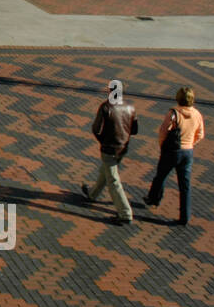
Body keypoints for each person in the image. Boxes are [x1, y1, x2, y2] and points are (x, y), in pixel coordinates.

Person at [144, 86, 205, 225]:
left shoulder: (174, 113)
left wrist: (162, 146)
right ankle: (185, 217)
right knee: (185, 186)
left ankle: (153, 199)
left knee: (161, 176)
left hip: (172, 151)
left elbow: (163, 132)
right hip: (188, 152)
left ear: (178, 98)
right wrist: (191, 143)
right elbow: (201, 134)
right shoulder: (197, 114)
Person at [81, 83, 138, 225]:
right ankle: (92, 193)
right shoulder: (130, 108)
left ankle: (125, 213)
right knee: (107, 170)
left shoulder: (106, 107)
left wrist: (102, 141)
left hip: (109, 149)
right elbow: (135, 130)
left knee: (113, 180)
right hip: (123, 148)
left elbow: (96, 129)